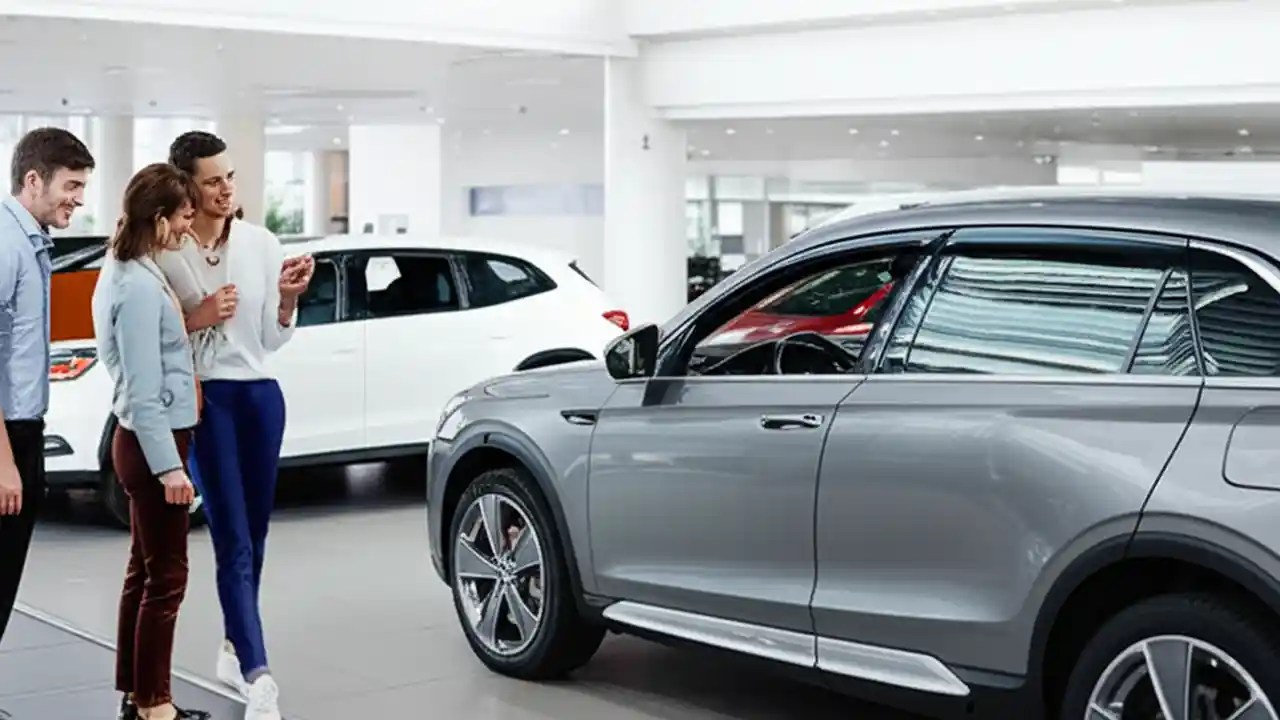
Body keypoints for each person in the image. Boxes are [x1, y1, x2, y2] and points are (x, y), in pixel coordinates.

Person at [159, 130, 313, 720]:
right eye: (212, 181)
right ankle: (258, 673)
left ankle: (231, 645)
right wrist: (199, 318)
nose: (226, 189)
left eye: (230, 178)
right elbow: (164, 337)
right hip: (206, 402)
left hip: (261, 400)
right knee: (232, 537)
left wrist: (287, 300)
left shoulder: (261, 241)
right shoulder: (169, 250)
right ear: (186, 188)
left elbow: (270, 340)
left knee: (256, 532)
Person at [92, 163, 210, 720]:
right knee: (167, 579)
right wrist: (171, 469)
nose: (191, 226)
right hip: (150, 443)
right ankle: (155, 706)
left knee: (144, 570)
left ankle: (135, 692)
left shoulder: (128, 266)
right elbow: (141, 390)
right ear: (160, 218)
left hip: (143, 439)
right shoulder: (137, 286)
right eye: (185, 215)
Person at [0, 128, 94, 657]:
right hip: (6, 437)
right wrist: (4, 461)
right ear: (33, 180)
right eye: (72, 185)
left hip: (22, 432)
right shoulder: (6, 243)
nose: (78, 199)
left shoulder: (30, 240)